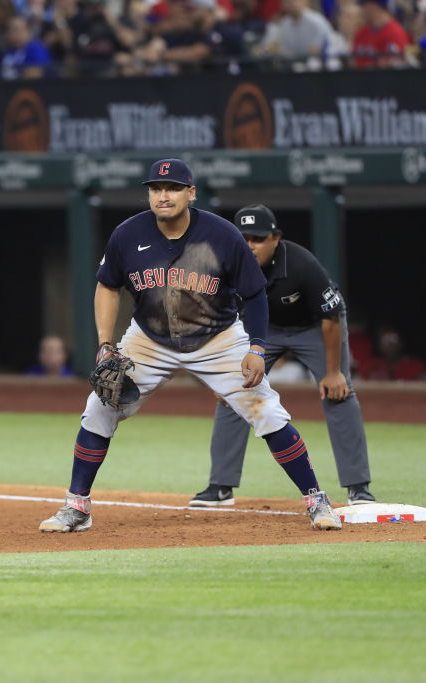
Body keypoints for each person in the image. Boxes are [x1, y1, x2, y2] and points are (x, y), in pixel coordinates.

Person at [39, 159, 341, 534]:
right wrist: (104, 343)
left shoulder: (223, 236)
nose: (163, 196)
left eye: (172, 188)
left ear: (190, 193)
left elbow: (254, 294)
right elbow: (107, 286)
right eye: (155, 188)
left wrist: (258, 348)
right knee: (99, 409)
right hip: (149, 339)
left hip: (218, 338)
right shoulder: (127, 234)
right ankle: (77, 506)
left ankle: (315, 499)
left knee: (267, 412)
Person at [189, 204, 375, 509]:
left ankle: (359, 488)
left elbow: (331, 316)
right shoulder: (223, 267)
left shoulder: (301, 263)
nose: (249, 245)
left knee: (338, 392)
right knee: (234, 392)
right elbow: (217, 320)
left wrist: (333, 371)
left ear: (276, 238)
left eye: (258, 238)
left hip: (314, 326)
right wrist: (219, 374)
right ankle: (220, 486)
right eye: (243, 237)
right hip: (263, 330)